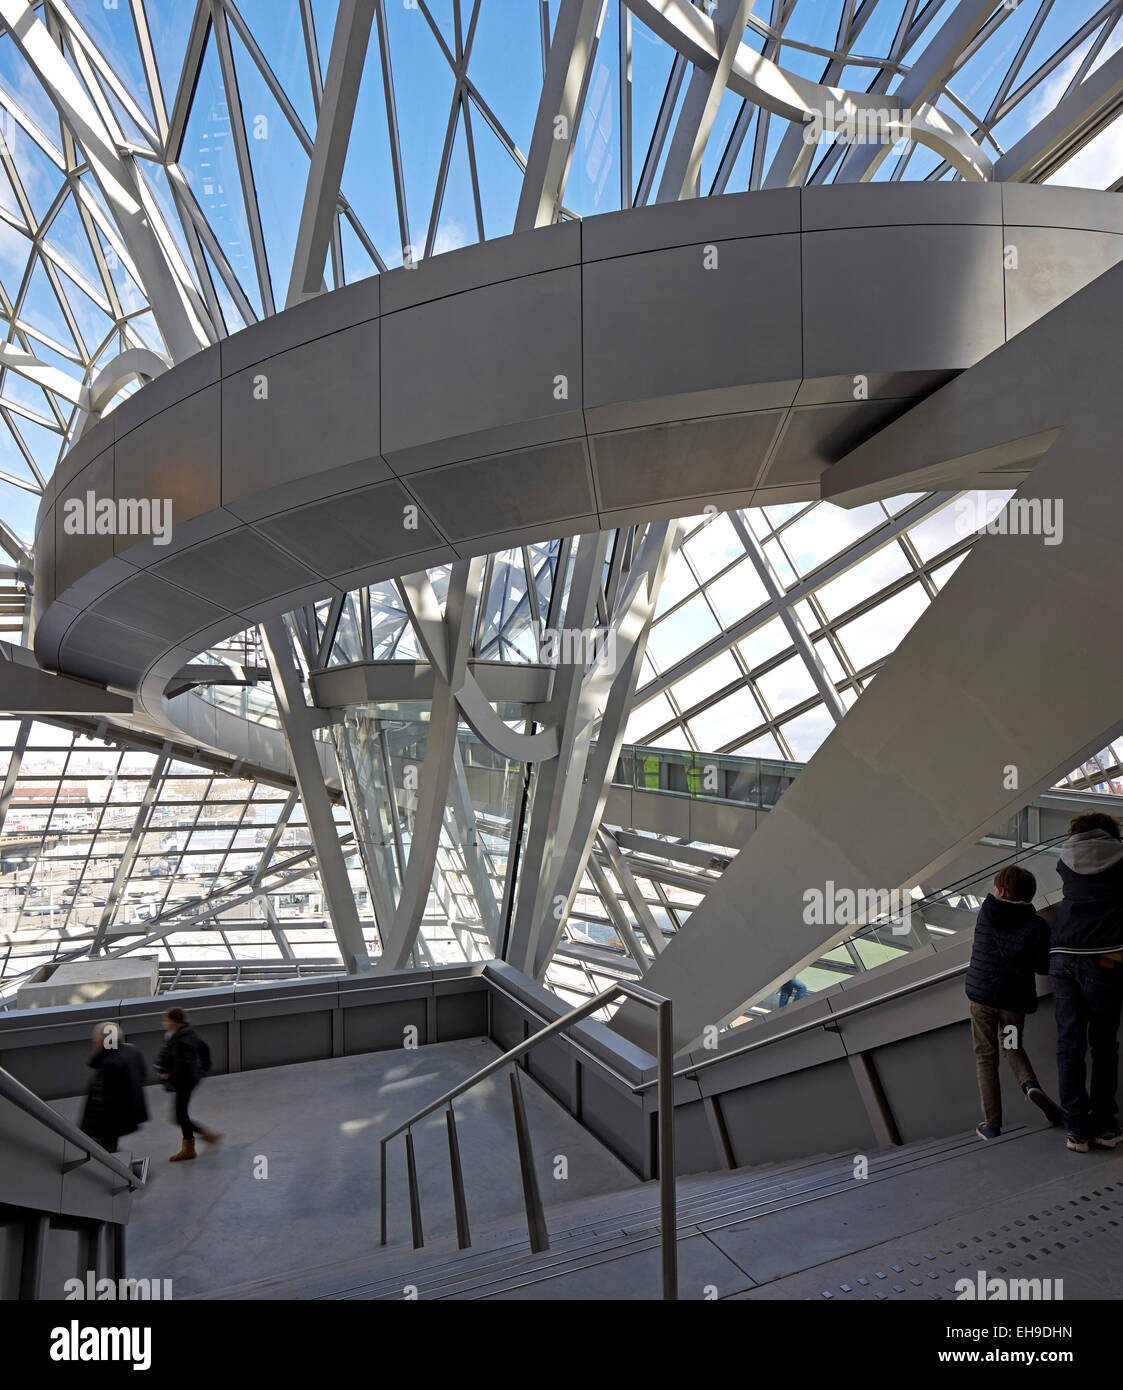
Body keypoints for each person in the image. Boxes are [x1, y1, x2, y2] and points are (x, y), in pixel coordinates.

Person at [965, 864, 1062, 1140]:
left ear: (1002, 891)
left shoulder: (986, 913)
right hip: (1012, 1006)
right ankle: (1029, 1083)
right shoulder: (1035, 926)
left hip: (982, 1002)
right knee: (1011, 1046)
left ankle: (992, 1124)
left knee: (986, 1057)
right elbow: (1043, 966)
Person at [1050, 812, 1123, 1152]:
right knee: (1104, 1045)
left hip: (1061, 956)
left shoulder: (1065, 861)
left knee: (1070, 1046)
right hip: (1104, 957)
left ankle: (1076, 1130)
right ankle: (1105, 1127)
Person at [157, 1007, 221, 1162]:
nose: (164, 1023)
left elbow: (182, 1065)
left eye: (166, 1020)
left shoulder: (182, 1040)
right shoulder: (185, 1034)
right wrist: (203, 1070)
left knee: (179, 1116)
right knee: (180, 1115)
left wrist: (168, 1075)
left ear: (174, 1022)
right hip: (189, 1078)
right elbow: (203, 1048)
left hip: (184, 1081)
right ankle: (196, 1143)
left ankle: (198, 1143)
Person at [79, 1021, 149, 1154]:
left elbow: (99, 1101)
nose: (94, 1042)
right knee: (111, 1146)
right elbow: (142, 1075)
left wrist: (93, 1131)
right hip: (126, 1114)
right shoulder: (131, 1050)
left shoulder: (108, 1064)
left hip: (108, 1122)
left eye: (96, 1039)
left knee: (106, 1151)